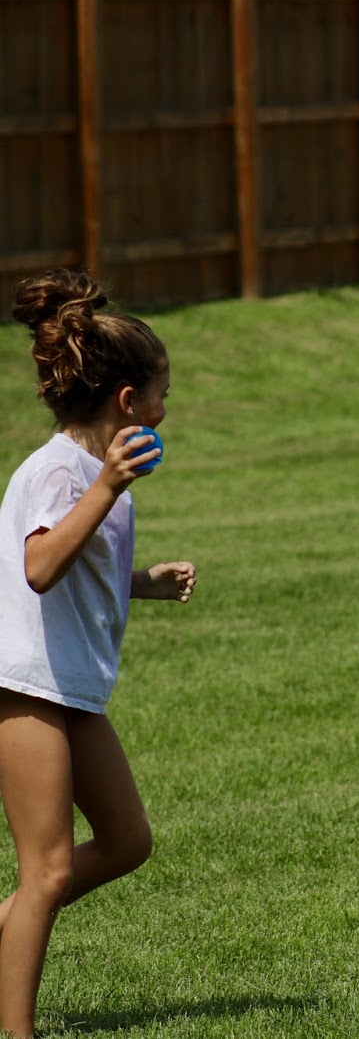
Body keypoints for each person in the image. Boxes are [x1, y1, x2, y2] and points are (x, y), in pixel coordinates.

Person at [0, 269, 196, 1039]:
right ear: (127, 403)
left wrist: (146, 581)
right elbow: (41, 567)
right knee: (46, 870)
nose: (164, 409)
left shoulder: (95, 478)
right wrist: (107, 489)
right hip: (23, 688)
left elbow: (85, 568)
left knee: (125, 841)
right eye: (162, 395)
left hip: (71, 689)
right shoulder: (61, 471)